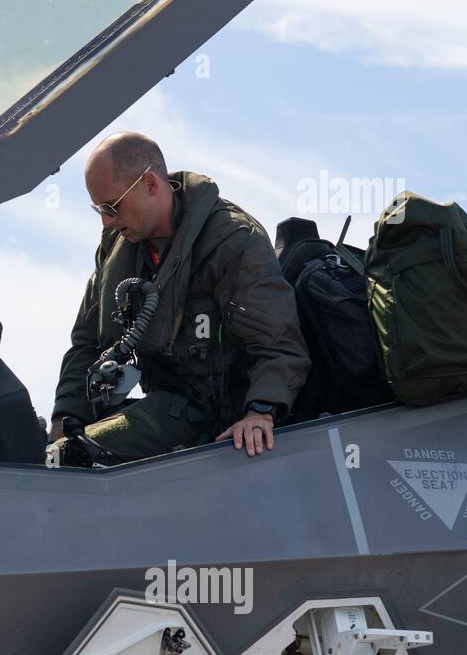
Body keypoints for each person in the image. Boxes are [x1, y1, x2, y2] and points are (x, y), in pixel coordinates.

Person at [49, 132, 310, 461]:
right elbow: (87, 343)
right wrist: (65, 417)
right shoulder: (118, 250)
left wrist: (261, 411)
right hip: (164, 406)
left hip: (220, 418)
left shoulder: (231, 240)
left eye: (112, 206)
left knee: (75, 456)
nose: (107, 221)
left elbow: (279, 344)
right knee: (55, 452)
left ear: (150, 184)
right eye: (99, 209)